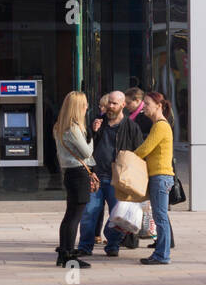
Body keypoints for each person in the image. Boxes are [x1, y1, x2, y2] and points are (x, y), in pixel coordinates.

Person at [78, 89, 144, 257]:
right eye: (109, 102)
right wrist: (93, 132)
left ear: (123, 105)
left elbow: (138, 153)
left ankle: (113, 244)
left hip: (118, 179)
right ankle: (85, 246)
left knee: (118, 215)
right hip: (97, 176)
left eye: (115, 103)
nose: (110, 106)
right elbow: (85, 147)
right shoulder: (98, 122)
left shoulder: (131, 127)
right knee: (89, 212)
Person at [55, 91, 97, 267]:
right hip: (79, 174)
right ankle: (70, 256)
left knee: (69, 215)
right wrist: (93, 134)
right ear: (78, 107)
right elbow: (87, 152)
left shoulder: (59, 126)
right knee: (75, 217)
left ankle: (63, 255)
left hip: (70, 173)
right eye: (85, 104)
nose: (87, 107)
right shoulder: (73, 128)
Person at [133, 91, 174, 264]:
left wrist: (127, 157)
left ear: (159, 105)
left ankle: (162, 255)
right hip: (159, 176)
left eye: (147, 104)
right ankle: (161, 253)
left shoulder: (160, 126)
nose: (144, 108)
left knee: (160, 217)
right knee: (160, 216)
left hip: (160, 176)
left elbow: (145, 149)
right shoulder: (159, 125)